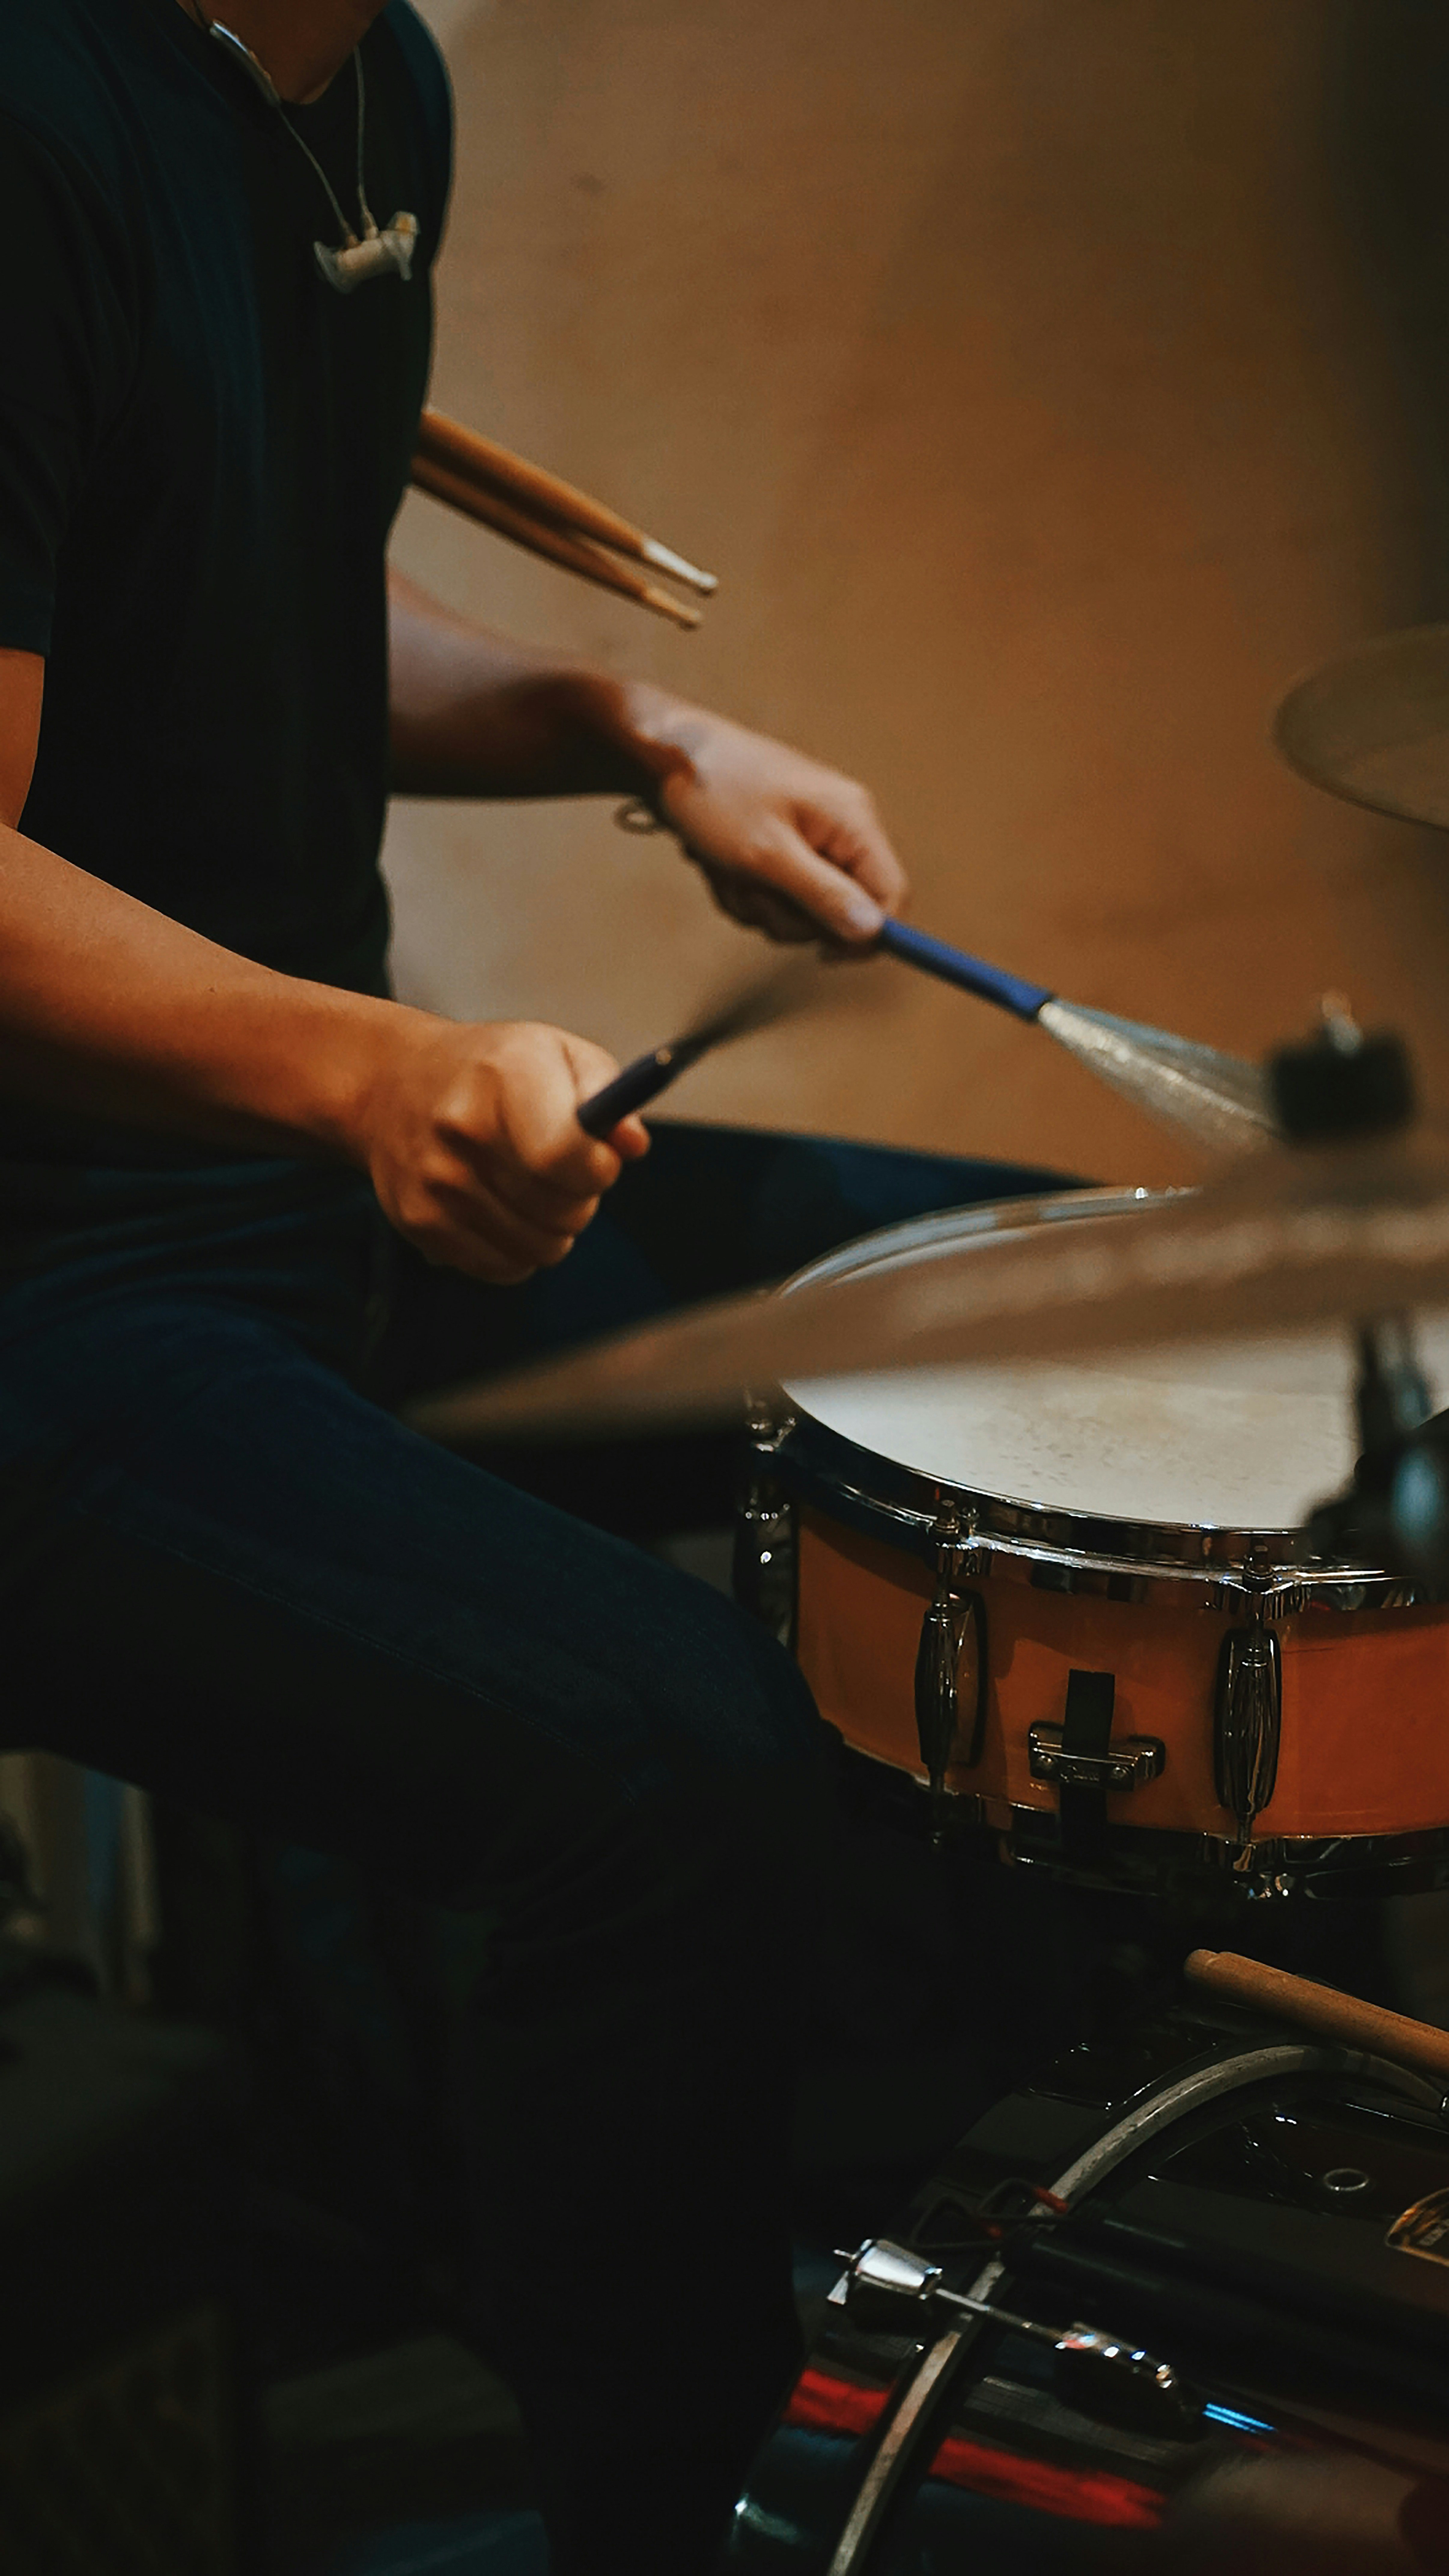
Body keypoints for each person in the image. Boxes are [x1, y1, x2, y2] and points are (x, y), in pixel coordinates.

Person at [0, 2, 1063, 2564]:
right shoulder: (35, 121)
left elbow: (245, 571)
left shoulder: (380, 85)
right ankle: (657, 2511)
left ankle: (1018, 2310)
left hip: (285, 1198)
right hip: (49, 1284)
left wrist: (636, 722)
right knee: (661, 1762)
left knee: (1007, 1321)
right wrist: (371, 1073)